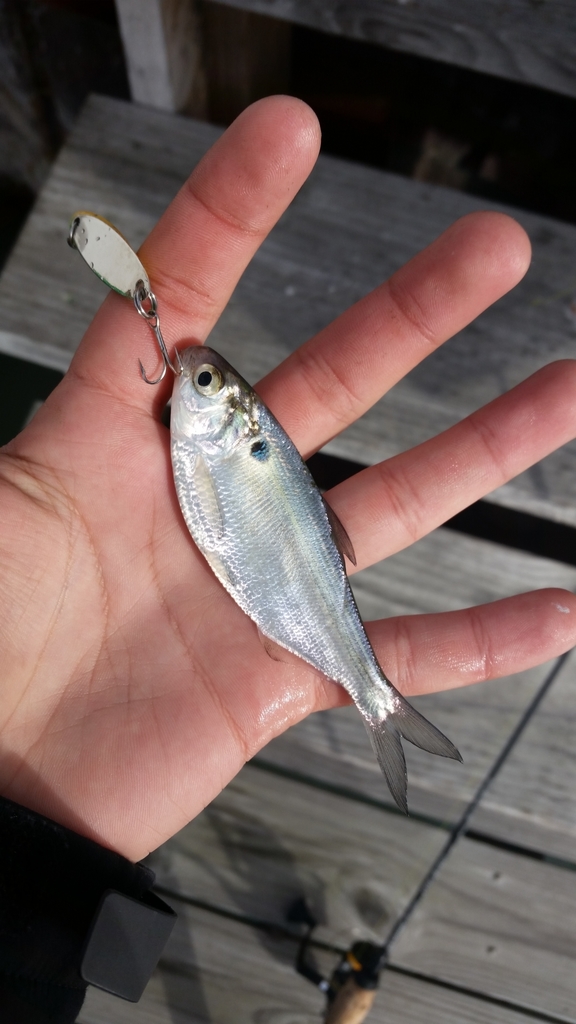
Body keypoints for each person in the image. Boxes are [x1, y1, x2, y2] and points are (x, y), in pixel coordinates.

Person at [0, 96, 575, 1020]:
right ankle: (378, 699)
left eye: (206, 381)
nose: (195, 377)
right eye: (205, 378)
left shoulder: (209, 426)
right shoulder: (203, 424)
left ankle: (377, 698)